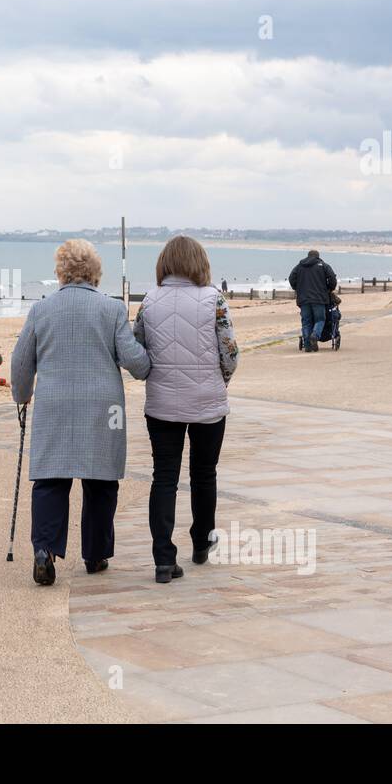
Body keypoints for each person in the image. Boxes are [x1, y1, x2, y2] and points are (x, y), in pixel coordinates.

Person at [11, 239, 151, 586]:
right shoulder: (113, 309)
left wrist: (23, 394)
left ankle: (44, 550)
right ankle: (96, 553)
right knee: (101, 481)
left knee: (50, 480)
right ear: (95, 272)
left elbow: (19, 362)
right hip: (104, 407)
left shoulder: (41, 310)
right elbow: (135, 362)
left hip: (54, 404)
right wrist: (147, 362)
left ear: (60, 271)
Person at [134, 236, 239, 584]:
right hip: (208, 402)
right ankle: (202, 542)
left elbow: (139, 349)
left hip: (162, 405)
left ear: (164, 263)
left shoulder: (149, 301)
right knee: (204, 473)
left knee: (164, 476)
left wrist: (157, 376)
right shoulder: (215, 300)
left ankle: (164, 558)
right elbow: (230, 352)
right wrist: (219, 380)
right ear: (199, 262)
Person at [288, 250, 338, 352]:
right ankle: (315, 335)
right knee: (320, 319)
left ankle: (307, 345)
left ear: (308, 256)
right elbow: (332, 278)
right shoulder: (323, 265)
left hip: (303, 299)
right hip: (319, 298)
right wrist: (329, 288)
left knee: (306, 322)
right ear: (318, 257)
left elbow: (291, 278)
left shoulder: (299, 266)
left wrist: (297, 288)